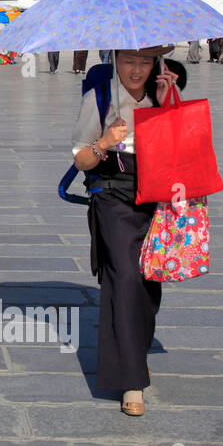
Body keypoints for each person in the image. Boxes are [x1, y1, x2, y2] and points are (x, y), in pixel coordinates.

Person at [71, 46, 188, 417]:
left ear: (155, 63)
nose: (136, 70)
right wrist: (105, 141)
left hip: (159, 193)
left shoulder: (164, 91)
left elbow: (186, 146)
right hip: (114, 194)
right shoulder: (100, 97)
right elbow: (80, 158)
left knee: (149, 280)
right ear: (114, 60)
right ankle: (131, 382)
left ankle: (134, 351)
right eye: (128, 61)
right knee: (124, 278)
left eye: (144, 62)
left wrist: (172, 105)